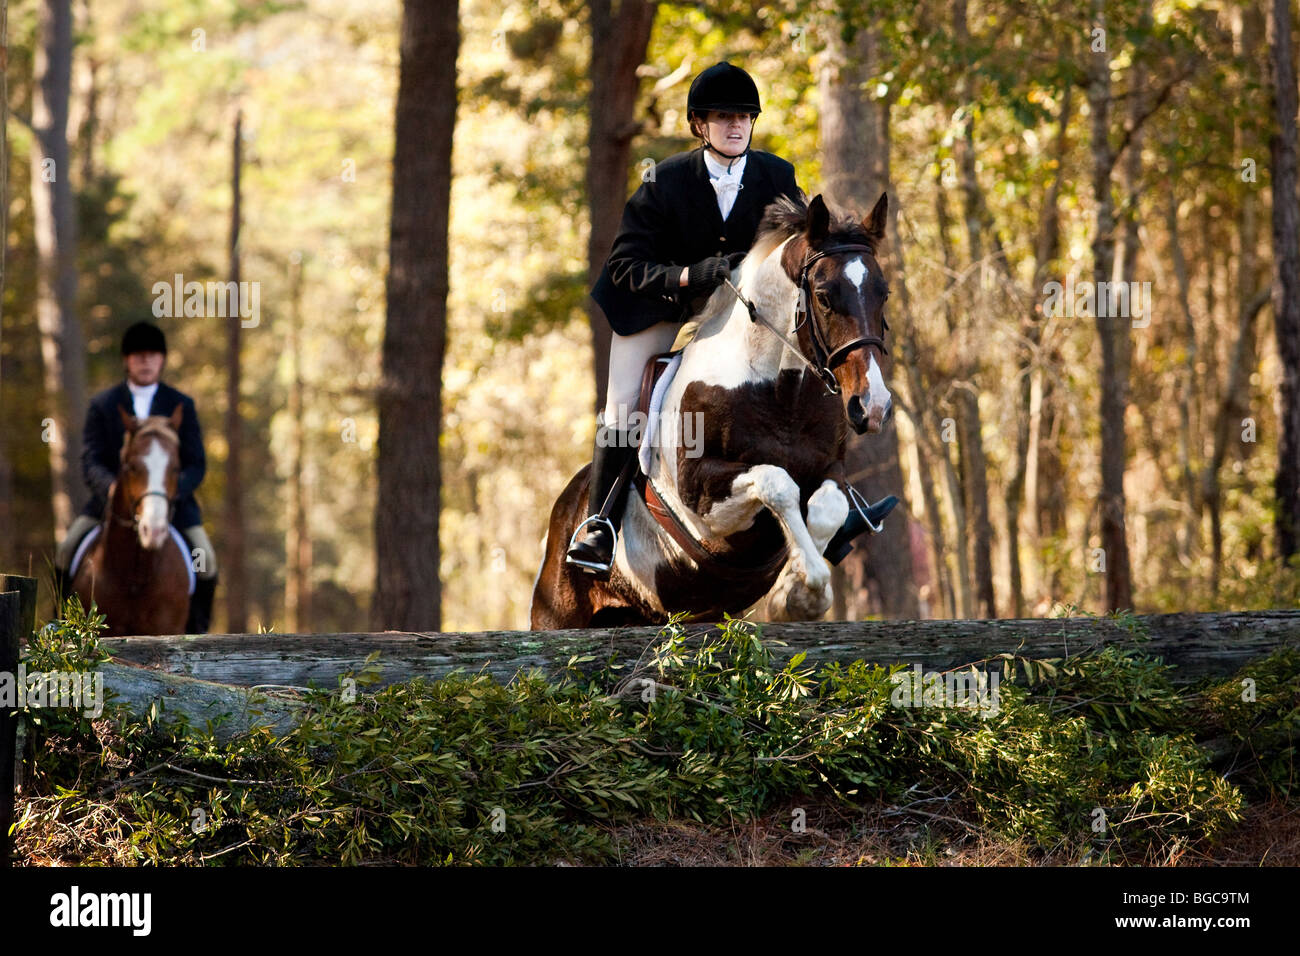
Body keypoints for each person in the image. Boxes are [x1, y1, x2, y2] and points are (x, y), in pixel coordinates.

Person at [566, 61, 805, 577]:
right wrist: (683, 277)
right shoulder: (665, 180)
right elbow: (624, 265)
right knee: (624, 406)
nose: (736, 126)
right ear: (700, 125)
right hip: (657, 303)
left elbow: (801, 248)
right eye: (723, 117)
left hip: (736, 311)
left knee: (803, 367)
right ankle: (599, 527)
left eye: (744, 116)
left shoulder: (777, 175)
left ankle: (835, 502)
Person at [53, 321, 218, 632]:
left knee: (206, 560)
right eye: (138, 355)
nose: (146, 361)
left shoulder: (182, 405)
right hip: (112, 505)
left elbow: (197, 463)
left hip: (174, 505)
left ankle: (199, 637)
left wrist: (170, 492)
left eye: (152, 355)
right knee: (66, 550)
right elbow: (91, 461)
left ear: (162, 360)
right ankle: (61, 628)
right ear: (126, 360)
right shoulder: (102, 405)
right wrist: (113, 488)